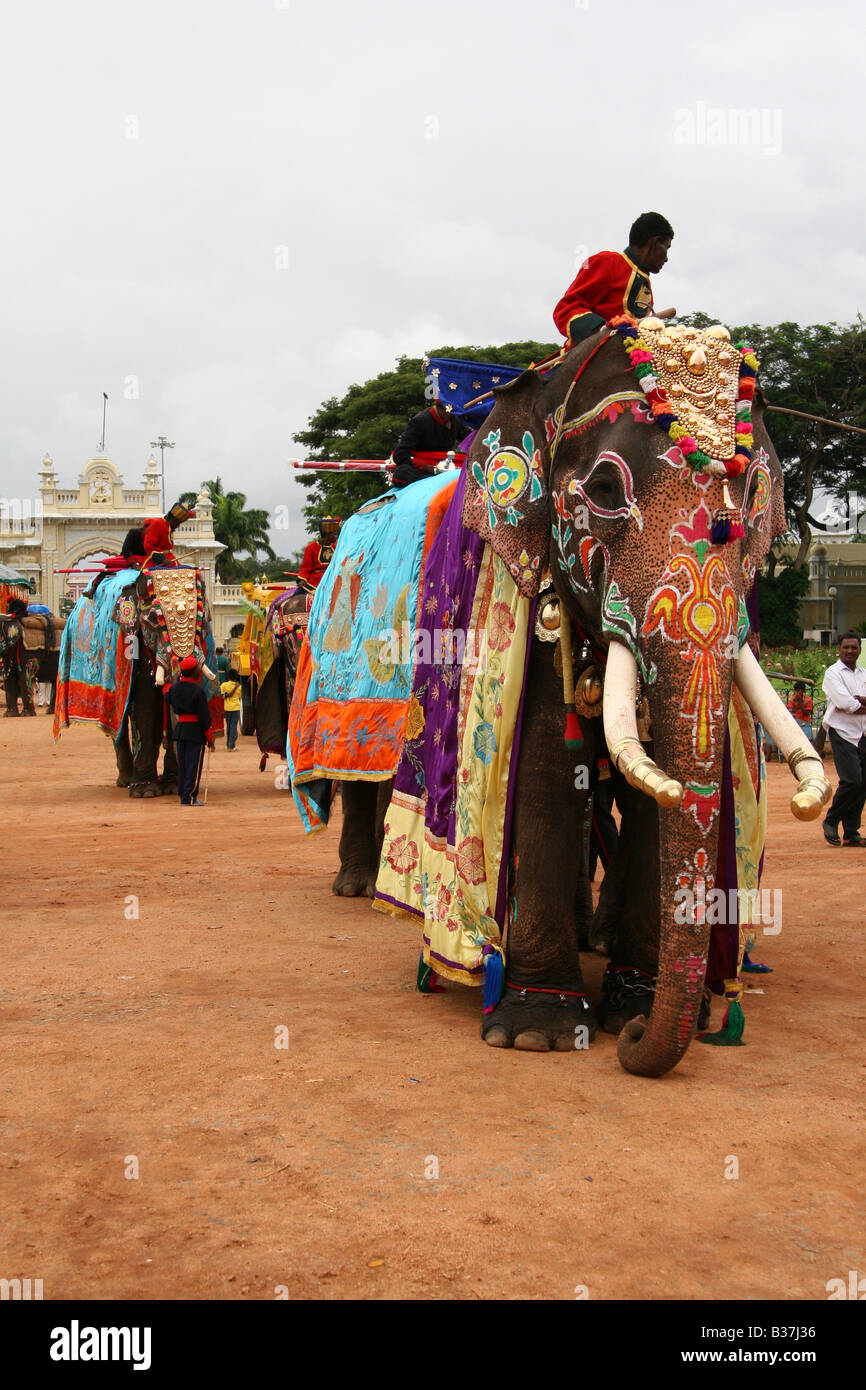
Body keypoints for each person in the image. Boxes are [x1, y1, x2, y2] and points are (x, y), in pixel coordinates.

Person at [552, 211, 674, 346]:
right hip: (588, 357)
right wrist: (601, 330)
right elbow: (566, 309)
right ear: (654, 242)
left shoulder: (645, 283)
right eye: (666, 248)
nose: (667, 258)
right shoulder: (607, 262)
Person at [821, 632, 866, 846]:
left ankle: (851, 832)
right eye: (846, 647)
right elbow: (845, 704)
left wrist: (858, 701)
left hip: (862, 733)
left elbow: (852, 704)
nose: (850, 651)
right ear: (838, 649)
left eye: (854, 648)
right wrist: (857, 702)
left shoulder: (863, 673)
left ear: (859, 650)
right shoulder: (833, 673)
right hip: (841, 732)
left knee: (863, 784)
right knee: (852, 780)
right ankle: (831, 820)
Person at [167, 655, 214, 805]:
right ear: (194, 672)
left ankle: (183, 795)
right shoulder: (198, 691)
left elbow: (167, 697)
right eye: (197, 670)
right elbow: (204, 717)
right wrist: (210, 738)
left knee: (183, 765)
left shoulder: (174, 689)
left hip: (180, 730)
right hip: (195, 731)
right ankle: (190, 797)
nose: (200, 672)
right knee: (193, 765)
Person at [391, 400, 470, 488]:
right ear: (440, 409)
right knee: (402, 473)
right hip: (423, 467)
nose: (452, 415)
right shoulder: (419, 421)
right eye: (450, 412)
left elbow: (470, 441)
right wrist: (428, 467)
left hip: (447, 465)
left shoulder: (455, 420)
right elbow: (400, 455)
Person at [298, 517, 341, 592]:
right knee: (297, 595)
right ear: (327, 534)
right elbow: (305, 567)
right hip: (314, 582)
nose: (336, 536)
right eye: (334, 534)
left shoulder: (336, 548)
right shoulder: (311, 547)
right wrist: (302, 579)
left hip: (332, 579)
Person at [220, 669, 242, 750]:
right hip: (235, 708)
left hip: (227, 708)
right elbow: (239, 696)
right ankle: (231, 745)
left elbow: (222, 695)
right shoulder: (239, 686)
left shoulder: (224, 685)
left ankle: (228, 744)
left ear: (228, 676)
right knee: (233, 726)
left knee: (228, 726)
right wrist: (235, 688)